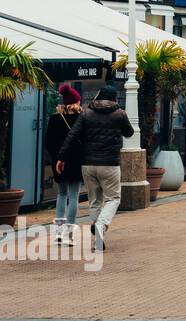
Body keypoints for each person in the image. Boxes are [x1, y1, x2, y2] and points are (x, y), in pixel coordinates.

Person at [56, 84, 132, 252]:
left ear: (99, 96)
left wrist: (62, 157)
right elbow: (129, 133)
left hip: (88, 164)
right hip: (110, 164)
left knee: (95, 200)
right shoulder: (120, 114)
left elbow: (72, 135)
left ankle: (98, 238)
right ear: (114, 99)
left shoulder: (86, 114)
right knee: (113, 198)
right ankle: (101, 225)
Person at [45, 84, 83, 246]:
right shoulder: (82, 119)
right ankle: (69, 234)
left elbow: (48, 142)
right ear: (76, 102)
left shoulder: (54, 119)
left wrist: (56, 156)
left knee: (61, 194)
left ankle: (58, 233)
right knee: (74, 195)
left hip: (59, 161)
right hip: (76, 161)